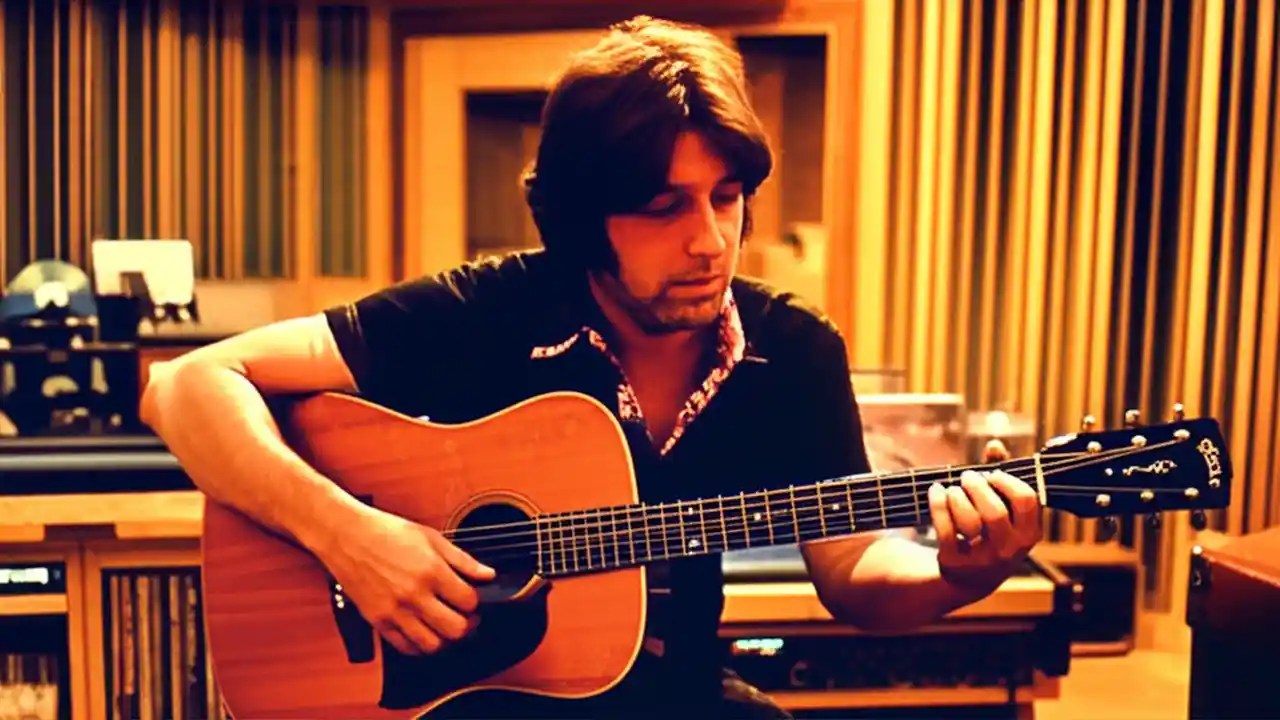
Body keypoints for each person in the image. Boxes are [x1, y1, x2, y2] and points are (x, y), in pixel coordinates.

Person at [140, 15, 1042, 719]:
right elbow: (184, 386)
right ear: (579, 219)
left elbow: (853, 575)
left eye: (727, 199)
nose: (709, 240)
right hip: (459, 708)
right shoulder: (484, 311)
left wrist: (966, 570)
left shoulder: (793, 351)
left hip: (675, 698)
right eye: (663, 207)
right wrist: (350, 539)